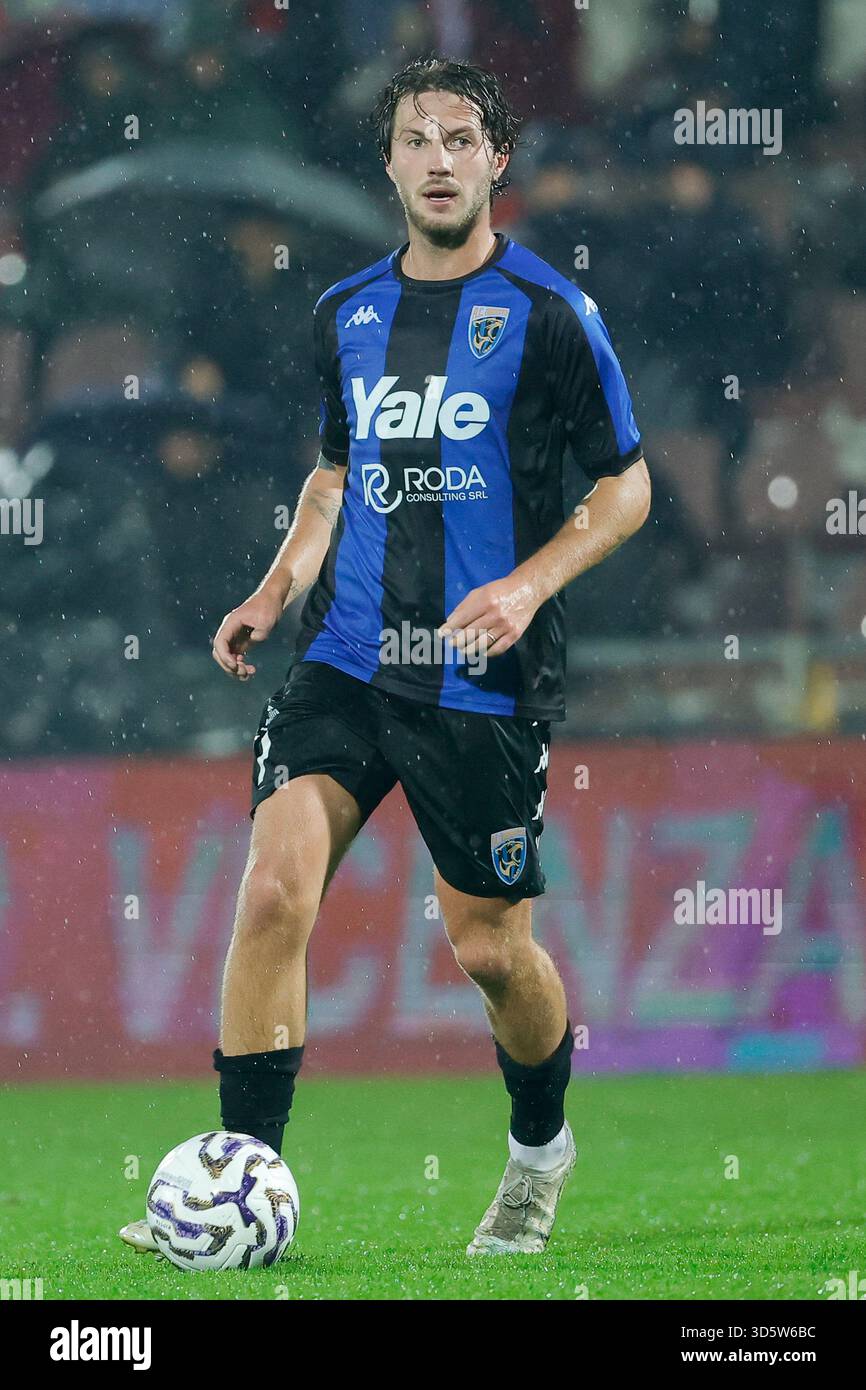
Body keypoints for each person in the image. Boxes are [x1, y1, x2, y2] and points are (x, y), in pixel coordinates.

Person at [120, 54, 650, 1259]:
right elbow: (332, 474)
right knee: (270, 893)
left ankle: (535, 1149)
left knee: (488, 950)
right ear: (389, 162)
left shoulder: (552, 314)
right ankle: (230, 1195)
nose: (441, 158)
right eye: (419, 138)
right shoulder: (345, 313)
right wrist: (275, 586)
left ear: (497, 160)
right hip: (346, 658)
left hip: (479, 673)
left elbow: (626, 489)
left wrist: (525, 583)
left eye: (463, 138)